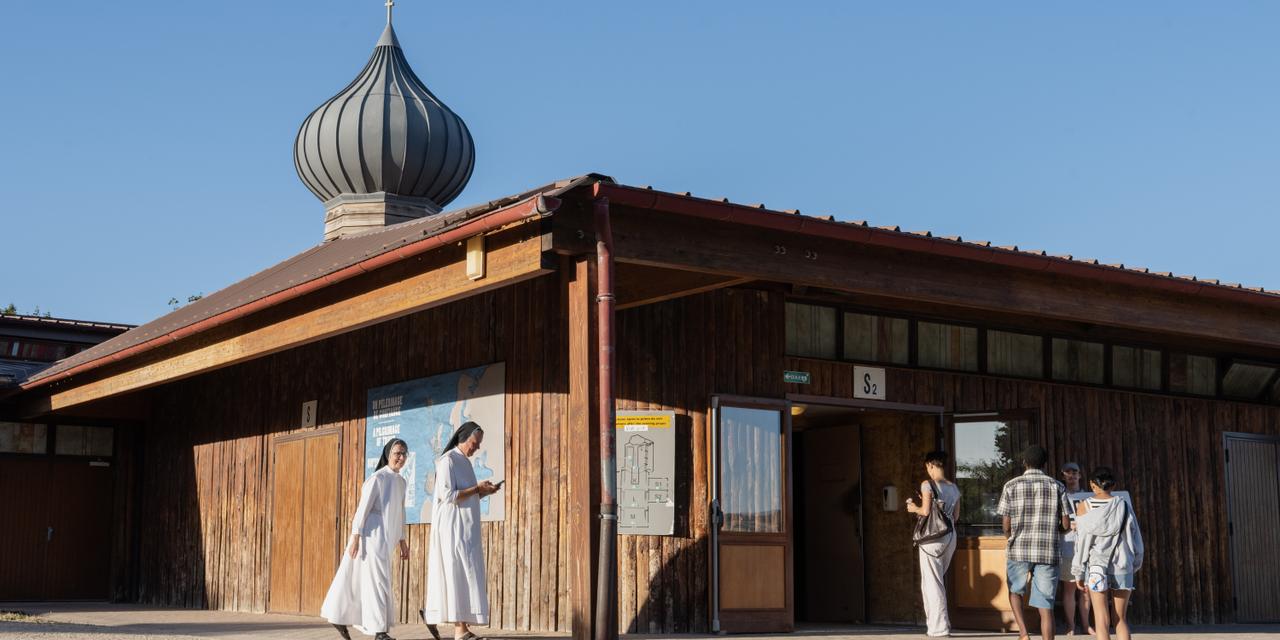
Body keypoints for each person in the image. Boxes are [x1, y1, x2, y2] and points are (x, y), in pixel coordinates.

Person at [321, 438, 410, 640]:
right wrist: (355, 537)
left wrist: (402, 540)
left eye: (404, 453)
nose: (401, 457)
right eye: (397, 453)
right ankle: (379, 631)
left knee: (360, 580)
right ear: (388, 454)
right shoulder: (377, 479)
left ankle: (339, 616)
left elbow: (401, 512)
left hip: (387, 539)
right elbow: (363, 510)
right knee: (378, 581)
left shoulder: (401, 482)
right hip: (372, 536)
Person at [424, 422, 500, 640]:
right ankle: (460, 630)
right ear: (463, 438)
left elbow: (466, 496)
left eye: (479, 444)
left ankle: (463, 629)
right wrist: (477, 488)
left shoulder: (464, 462)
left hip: (467, 530)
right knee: (457, 573)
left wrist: (485, 492)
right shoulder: (447, 461)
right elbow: (448, 496)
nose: (477, 448)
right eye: (475, 443)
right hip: (453, 529)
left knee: (467, 574)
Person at [997, 445, 1073, 640]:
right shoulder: (1057, 486)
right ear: (1044, 464)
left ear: (1024, 462)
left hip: (1018, 550)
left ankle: (1023, 633)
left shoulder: (1011, 485)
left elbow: (1006, 524)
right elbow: (1066, 524)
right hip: (1047, 551)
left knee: (1015, 591)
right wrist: (1055, 530)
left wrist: (1010, 538)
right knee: (1046, 604)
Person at [1072, 467, 1143, 640]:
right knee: (1121, 618)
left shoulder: (1084, 507)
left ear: (1092, 485)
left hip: (1096, 566)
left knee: (1101, 620)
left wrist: (1078, 571)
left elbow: (1082, 543)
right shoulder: (1123, 506)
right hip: (1123, 564)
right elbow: (1136, 538)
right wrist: (1135, 562)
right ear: (1113, 485)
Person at [905, 450, 961, 637]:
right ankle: (938, 624)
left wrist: (914, 508)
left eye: (927, 467)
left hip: (932, 540)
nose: (927, 470)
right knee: (937, 580)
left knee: (932, 583)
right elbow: (955, 517)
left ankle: (939, 628)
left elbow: (926, 511)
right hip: (950, 537)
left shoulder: (927, 484)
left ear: (930, 465)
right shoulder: (954, 488)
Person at [1059, 462, 1092, 636]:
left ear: (1080, 475)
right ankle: (1071, 626)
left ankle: (1086, 625)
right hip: (1067, 546)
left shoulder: (1089, 497)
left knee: (1086, 589)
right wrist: (1065, 526)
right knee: (1069, 588)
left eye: (1074, 472)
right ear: (1063, 476)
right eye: (1068, 472)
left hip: (1087, 547)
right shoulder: (1059, 496)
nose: (1071, 475)